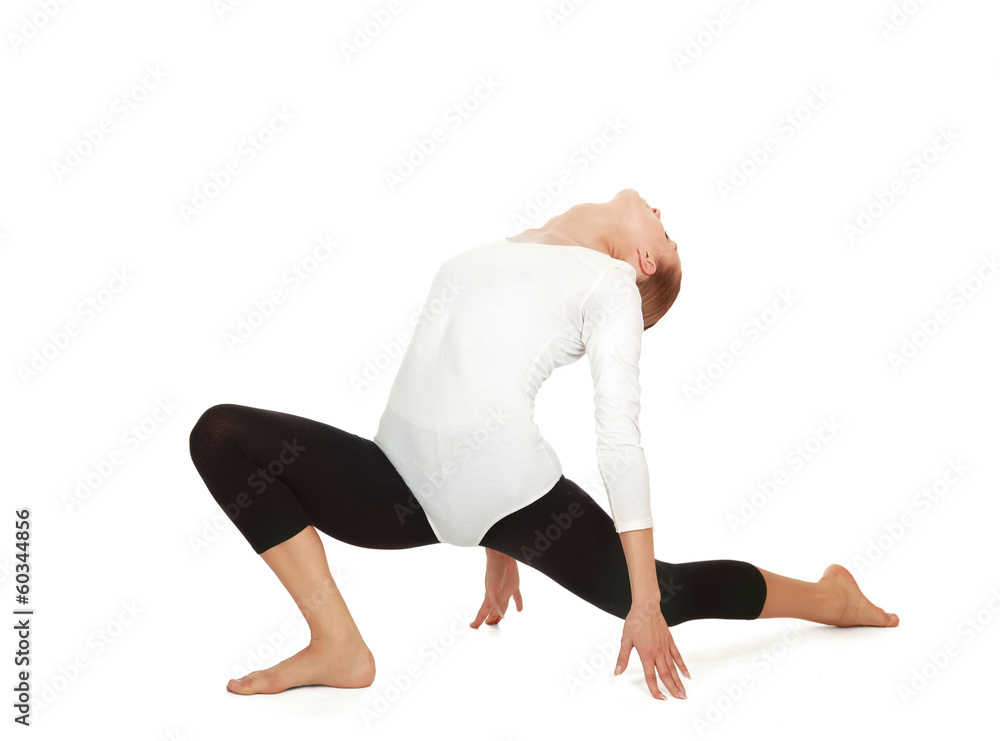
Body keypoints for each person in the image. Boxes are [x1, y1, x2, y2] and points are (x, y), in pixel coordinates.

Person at [188, 188, 898, 701]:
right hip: (396, 484)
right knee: (221, 436)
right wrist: (499, 545)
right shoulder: (519, 244)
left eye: (667, 233)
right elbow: (472, 373)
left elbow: (619, 439)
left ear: (644, 261)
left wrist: (643, 603)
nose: (661, 210)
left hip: (508, 490)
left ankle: (830, 599)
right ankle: (338, 643)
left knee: (669, 590)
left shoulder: (611, 284)